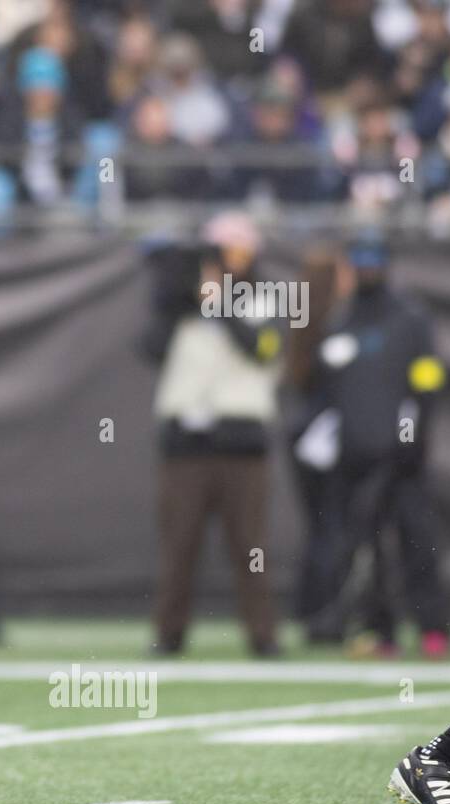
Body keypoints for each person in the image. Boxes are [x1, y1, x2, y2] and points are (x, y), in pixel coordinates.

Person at [142, 212, 283, 658]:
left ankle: (262, 635)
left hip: (241, 440)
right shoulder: (182, 304)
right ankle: (168, 634)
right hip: (185, 441)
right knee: (178, 544)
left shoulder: (266, 297)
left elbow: (263, 349)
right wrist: (180, 298)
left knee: (250, 546)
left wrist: (220, 304)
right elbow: (150, 349)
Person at [301, 235, 449, 655]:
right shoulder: (341, 320)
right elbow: (325, 389)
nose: (366, 270)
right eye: (359, 263)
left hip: (403, 460)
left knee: (417, 541)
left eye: (373, 262)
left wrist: (411, 436)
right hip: (355, 460)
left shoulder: (409, 319)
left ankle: (432, 628)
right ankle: (381, 631)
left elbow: (427, 379)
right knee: (368, 551)